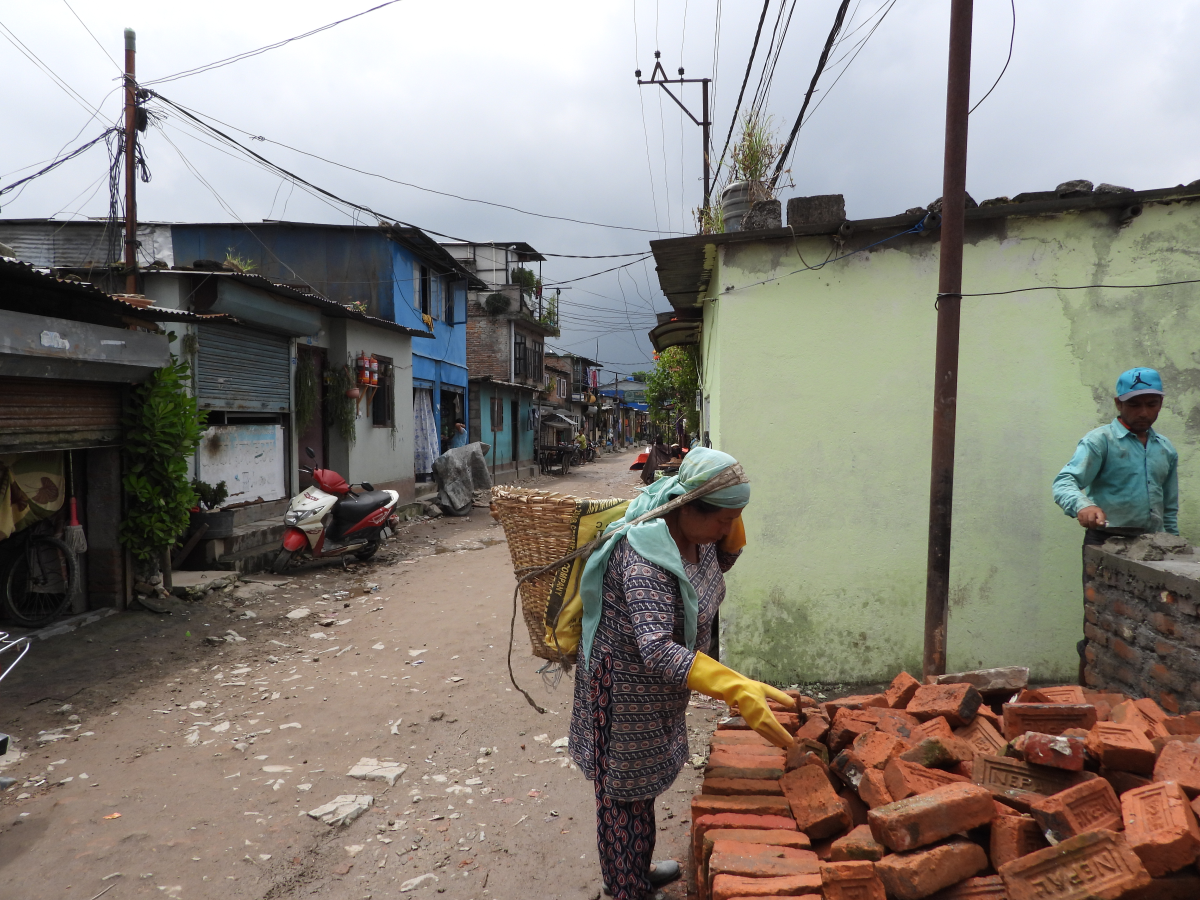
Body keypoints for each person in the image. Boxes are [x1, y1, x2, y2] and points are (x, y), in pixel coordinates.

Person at [569, 448, 795, 900]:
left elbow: (722, 558)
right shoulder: (644, 557)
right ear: (688, 508)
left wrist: (732, 513)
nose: (726, 531)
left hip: (660, 693)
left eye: (735, 519)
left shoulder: (699, 537)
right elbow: (654, 648)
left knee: (645, 787)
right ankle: (625, 888)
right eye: (721, 520)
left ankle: (638, 866)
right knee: (621, 796)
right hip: (624, 693)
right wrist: (733, 685)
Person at [1052, 367, 1179, 684]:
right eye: (1135, 405)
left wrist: (1174, 549)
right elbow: (1065, 482)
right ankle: (1090, 693)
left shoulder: (1165, 449)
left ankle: (1137, 700)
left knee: (1149, 627)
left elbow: (1170, 507)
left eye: (1151, 404)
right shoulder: (1101, 442)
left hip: (1152, 548)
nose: (1144, 412)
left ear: (1160, 403)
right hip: (1105, 543)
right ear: (1118, 404)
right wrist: (1085, 505)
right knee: (1101, 620)